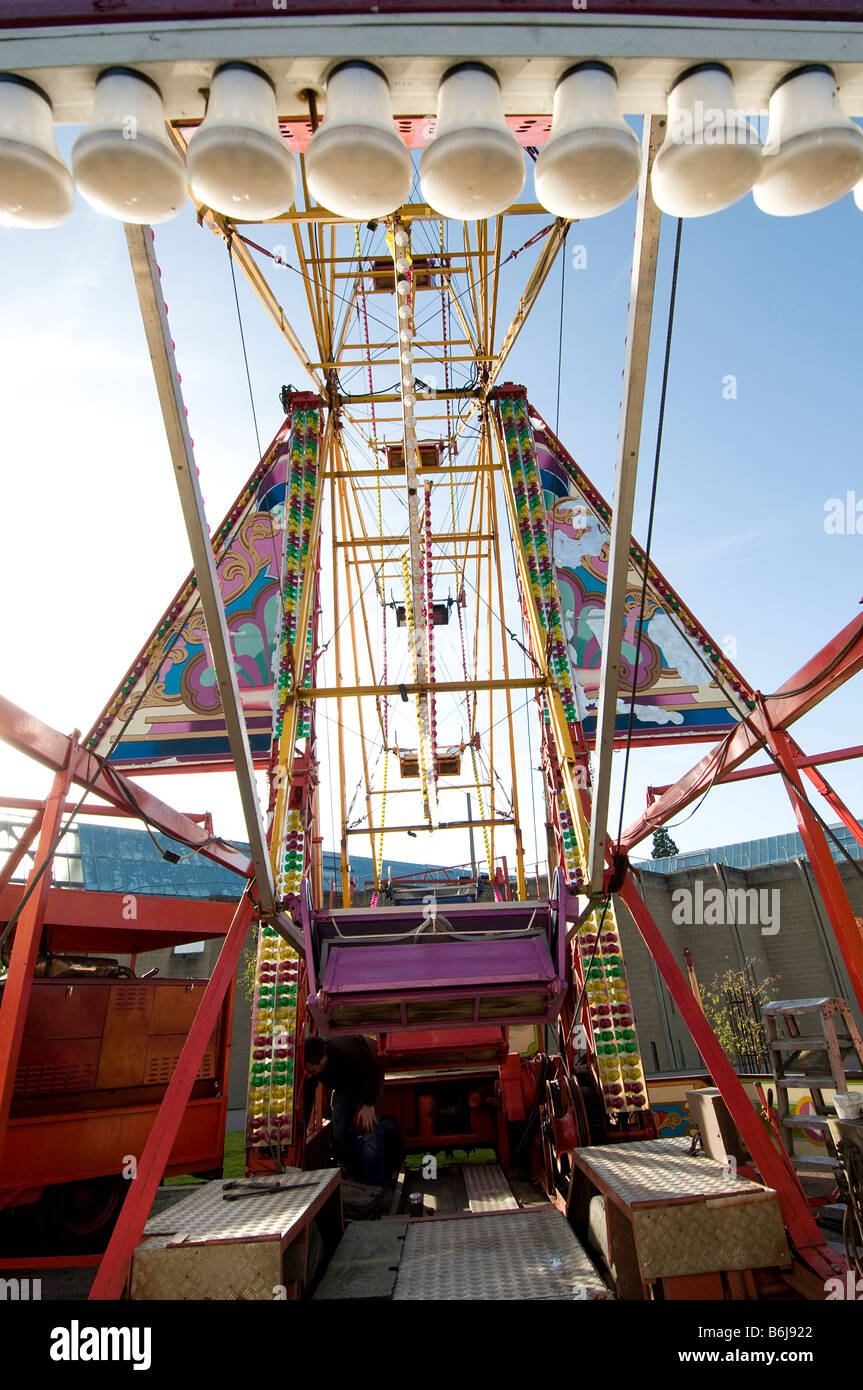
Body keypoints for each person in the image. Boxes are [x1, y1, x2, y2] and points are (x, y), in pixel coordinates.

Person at [302, 1032, 386, 1188]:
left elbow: (372, 1068)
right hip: (345, 1084)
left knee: (370, 1131)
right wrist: (302, 1126)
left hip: (368, 1076)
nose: (309, 1076)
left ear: (322, 1059)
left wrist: (368, 1104)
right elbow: (308, 1097)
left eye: (312, 1072)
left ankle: (376, 1186)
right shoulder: (312, 1069)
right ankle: (360, 1173)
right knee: (340, 1133)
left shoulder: (348, 1049)